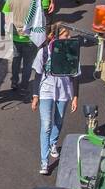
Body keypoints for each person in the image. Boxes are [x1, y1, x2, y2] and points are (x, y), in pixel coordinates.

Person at [31, 23, 79, 175]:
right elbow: (38, 74)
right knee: (46, 125)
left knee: (59, 120)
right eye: (66, 36)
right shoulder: (44, 53)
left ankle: (53, 143)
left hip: (63, 92)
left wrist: (75, 96)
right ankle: (44, 162)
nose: (69, 38)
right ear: (56, 38)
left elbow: (75, 76)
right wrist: (35, 96)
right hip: (46, 91)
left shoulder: (71, 52)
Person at [2, 0, 38, 96]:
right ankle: (24, 86)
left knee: (16, 60)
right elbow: (37, 20)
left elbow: (6, 18)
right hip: (29, 38)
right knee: (28, 64)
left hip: (15, 37)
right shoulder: (33, 1)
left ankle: (14, 82)